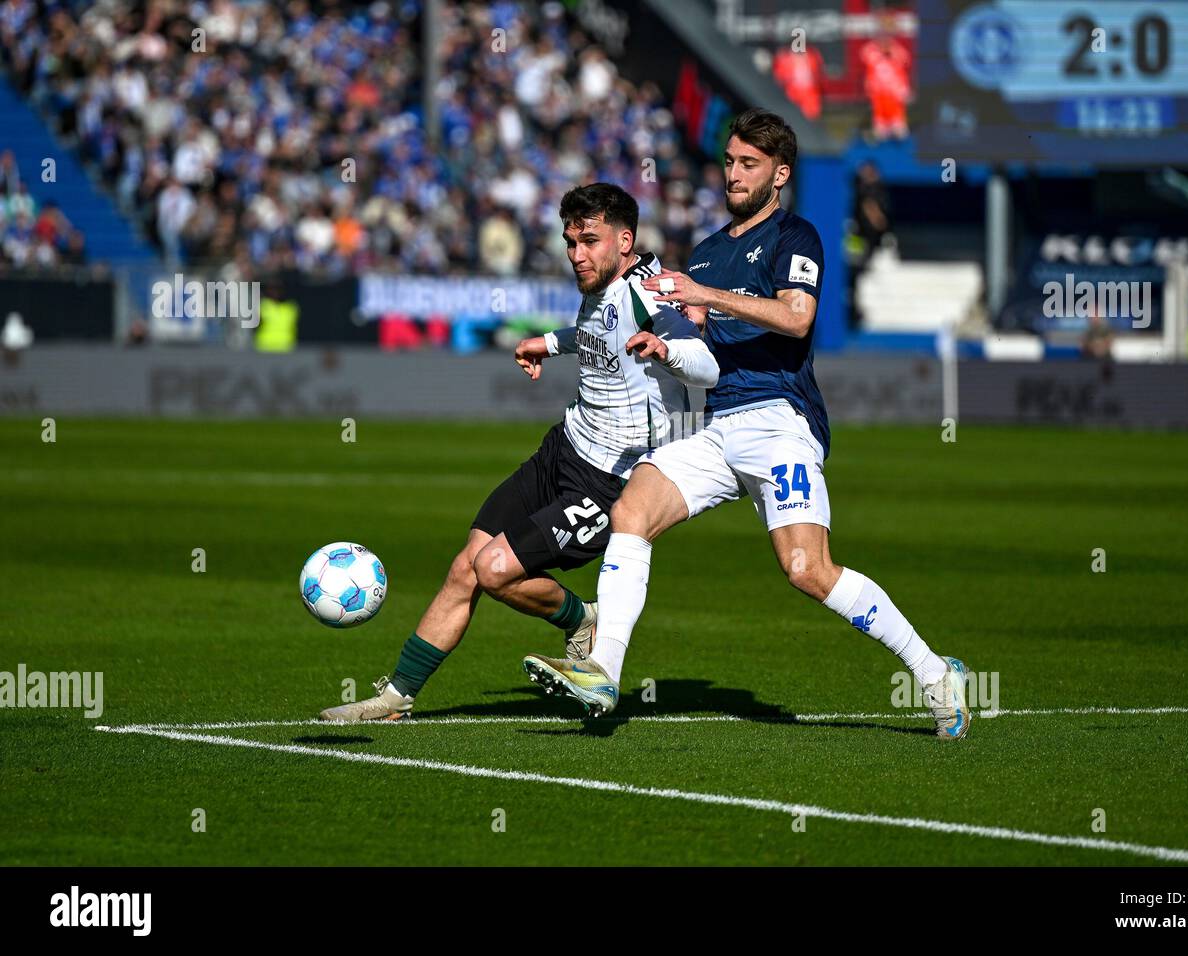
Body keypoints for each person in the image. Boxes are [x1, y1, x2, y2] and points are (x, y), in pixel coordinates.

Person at [521, 110, 971, 739]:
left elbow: (795, 319)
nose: (733, 174)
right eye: (730, 161)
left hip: (780, 421)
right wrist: (664, 345)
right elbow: (701, 351)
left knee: (806, 571)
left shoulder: (796, 237)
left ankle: (932, 671)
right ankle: (603, 671)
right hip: (715, 424)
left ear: (779, 174)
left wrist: (707, 298)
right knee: (632, 511)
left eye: (748, 164)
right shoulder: (706, 252)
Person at [321, 183, 718, 721]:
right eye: (570, 242)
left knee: (494, 569)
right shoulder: (603, 280)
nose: (577, 255)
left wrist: (668, 349)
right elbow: (596, 332)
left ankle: (581, 620)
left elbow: (707, 366)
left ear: (625, 241)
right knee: (466, 566)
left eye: (589, 242)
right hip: (563, 448)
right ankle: (396, 696)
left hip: (609, 482)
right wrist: (548, 344)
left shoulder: (655, 291)